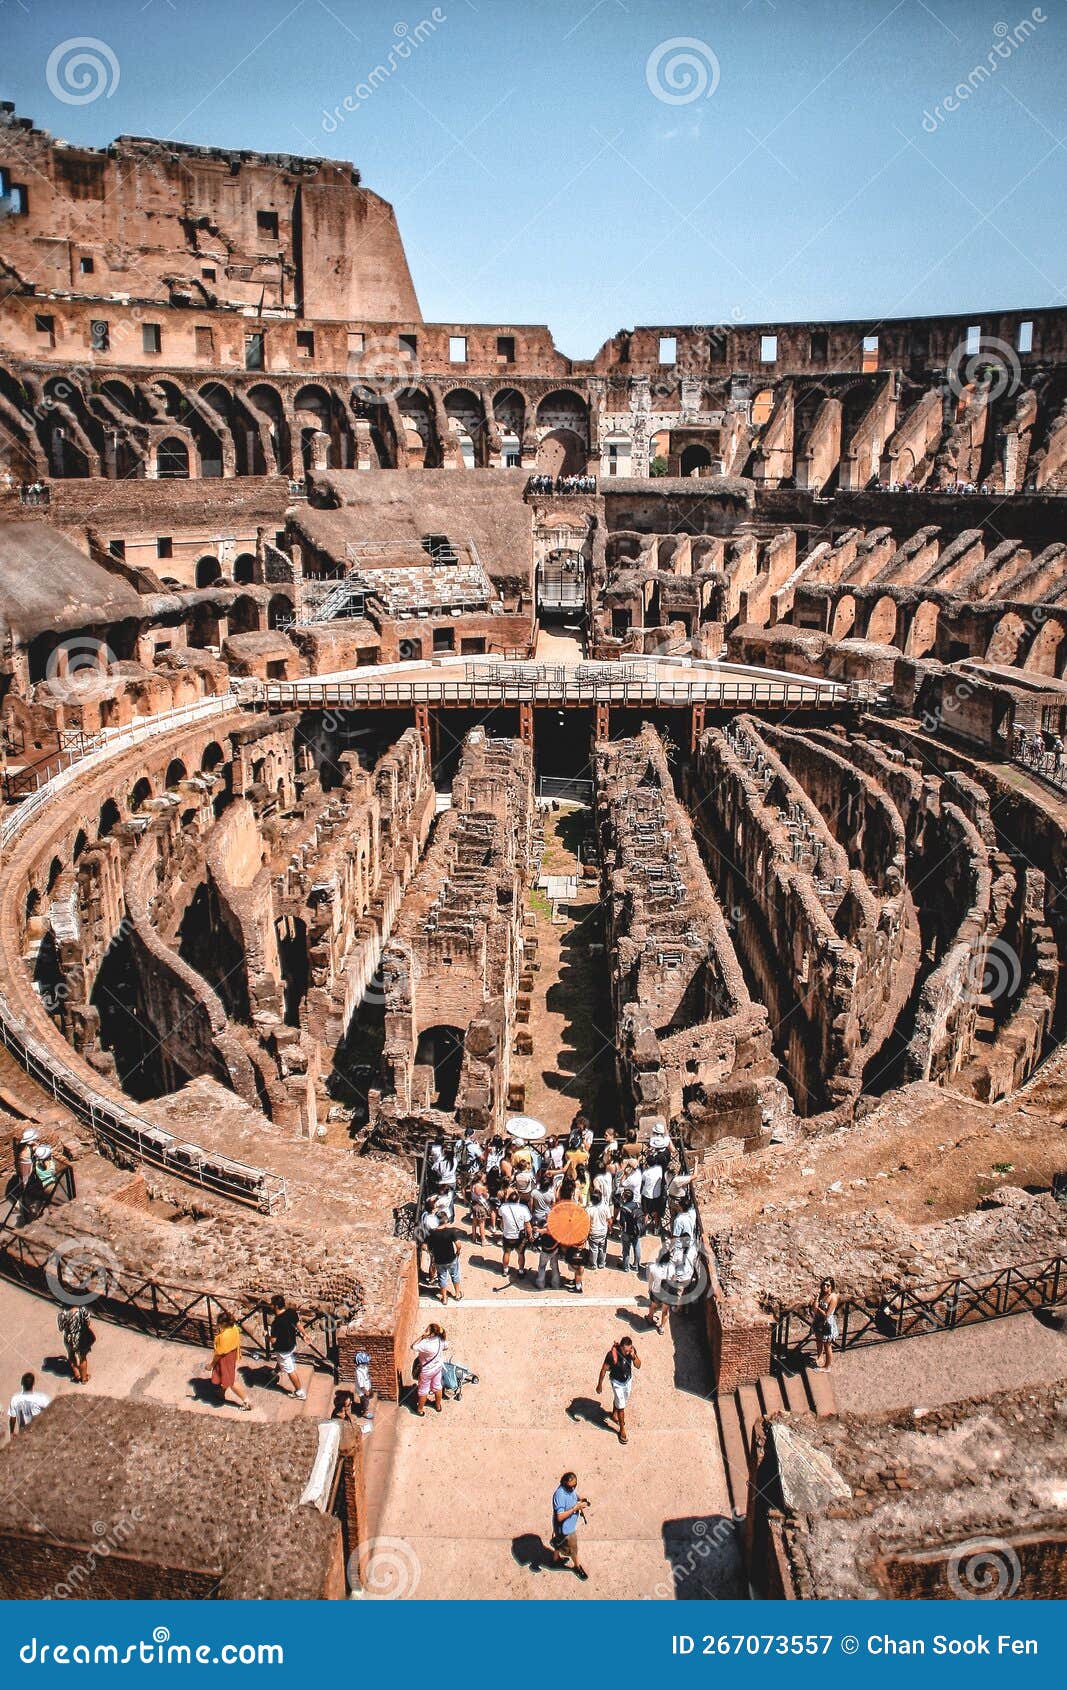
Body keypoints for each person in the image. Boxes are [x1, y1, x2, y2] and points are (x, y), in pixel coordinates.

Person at [597, 1335, 641, 1444]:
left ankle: (614, 1414)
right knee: (622, 1407)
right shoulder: (611, 1355)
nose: (627, 1352)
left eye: (629, 1349)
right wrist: (599, 1385)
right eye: (625, 1350)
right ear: (621, 1347)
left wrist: (634, 1356)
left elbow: (638, 1365)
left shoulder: (631, 1351)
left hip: (627, 1380)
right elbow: (603, 1369)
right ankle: (622, 1430)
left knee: (621, 1401)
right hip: (617, 1383)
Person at [550, 1471, 589, 1579]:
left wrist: (580, 1499)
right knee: (573, 1550)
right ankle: (577, 1567)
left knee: (558, 1542)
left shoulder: (569, 1489)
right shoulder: (560, 1495)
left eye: (574, 1486)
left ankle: (556, 1559)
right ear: (563, 1483)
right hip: (566, 1529)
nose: (572, 1489)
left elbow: (574, 1494)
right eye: (570, 1487)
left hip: (561, 1528)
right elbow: (560, 1517)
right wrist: (575, 1509)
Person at [210, 1310, 251, 1410]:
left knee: (231, 1381)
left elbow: (219, 1353)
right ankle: (221, 1393)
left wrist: (211, 1365)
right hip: (231, 1355)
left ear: (223, 1324)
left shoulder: (224, 1336)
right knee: (225, 1376)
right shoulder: (234, 1328)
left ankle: (246, 1402)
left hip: (225, 1358)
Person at [268, 1293, 307, 1399]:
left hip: (283, 1349)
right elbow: (298, 1324)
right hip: (292, 1344)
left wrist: (266, 1335)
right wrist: (305, 1334)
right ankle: (276, 1371)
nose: (270, 1306)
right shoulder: (291, 1312)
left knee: (290, 1370)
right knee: (281, 1360)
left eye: (271, 1304)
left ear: (276, 1306)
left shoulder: (276, 1323)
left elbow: (273, 1341)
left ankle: (299, 1392)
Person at [412, 1322, 449, 1415]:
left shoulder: (425, 1344)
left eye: (427, 1330)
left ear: (432, 1333)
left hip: (427, 1371)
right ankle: (438, 1406)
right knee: (437, 1386)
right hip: (438, 1368)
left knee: (423, 1390)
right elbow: (446, 1347)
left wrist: (421, 1337)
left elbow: (412, 1346)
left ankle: (420, 1410)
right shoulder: (441, 1340)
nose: (425, 1331)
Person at [426, 1212, 463, 1304]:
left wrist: (432, 1254)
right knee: (455, 1275)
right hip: (451, 1258)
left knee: (442, 1278)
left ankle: (444, 1298)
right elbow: (458, 1245)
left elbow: (427, 1247)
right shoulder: (451, 1231)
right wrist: (458, 1252)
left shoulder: (432, 1233)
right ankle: (457, 1294)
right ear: (445, 1220)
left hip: (439, 1260)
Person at [57, 1303, 94, 1384]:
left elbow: (61, 1328)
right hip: (80, 1338)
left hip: (68, 1338)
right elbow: (87, 1323)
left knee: (71, 1355)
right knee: (82, 1358)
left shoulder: (62, 1313)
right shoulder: (82, 1310)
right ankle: (84, 1379)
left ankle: (77, 1375)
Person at [499, 1189, 533, 1277]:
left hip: (507, 1234)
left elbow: (501, 1216)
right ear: (518, 1200)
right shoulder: (524, 1208)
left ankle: (505, 1270)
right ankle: (521, 1271)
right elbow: (528, 1224)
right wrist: (530, 1235)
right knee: (521, 1254)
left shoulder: (503, 1207)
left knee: (506, 1252)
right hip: (520, 1236)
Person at [811, 1275, 839, 1370]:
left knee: (827, 1346)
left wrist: (818, 1308)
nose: (825, 1287)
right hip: (818, 1321)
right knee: (819, 1340)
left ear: (831, 1287)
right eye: (824, 1284)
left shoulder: (833, 1298)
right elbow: (813, 1309)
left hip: (826, 1324)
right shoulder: (822, 1294)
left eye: (827, 1285)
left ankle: (827, 1367)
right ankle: (819, 1357)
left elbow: (827, 1314)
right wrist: (816, 1299)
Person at [618, 1189, 643, 1274]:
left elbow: (622, 1222)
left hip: (627, 1232)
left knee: (626, 1250)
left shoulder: (624, 1208)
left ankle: (625, 1266)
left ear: (625, 1197)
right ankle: (636, 1265)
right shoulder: (638, 1205)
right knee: (637, 1247)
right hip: (637, 1230)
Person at [586, 1192, 611, 1270]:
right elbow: (609, 1220)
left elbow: (588, 1223)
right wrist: (610, 1229)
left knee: (594, 1249)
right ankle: (601, 1263)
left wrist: (587, 1233)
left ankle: (593, 1265)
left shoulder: (589, 1209)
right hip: (603, 1232)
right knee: (602, 1248)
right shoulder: (605, 1207)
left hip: (593, 1232)